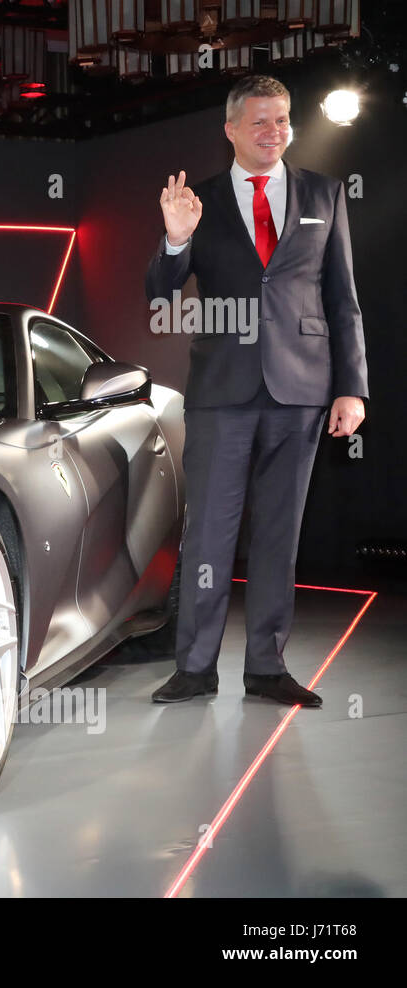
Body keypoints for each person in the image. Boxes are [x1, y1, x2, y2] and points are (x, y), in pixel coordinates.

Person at [145, 75, 368, 707]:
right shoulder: (200, 201)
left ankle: (267, 668)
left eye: (283, 121)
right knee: (208, 537)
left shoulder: (324, 193)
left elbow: (343, 300)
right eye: (260, 122)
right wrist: (176, 238)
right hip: (222, 393)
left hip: (301, 391)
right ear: (231, 130)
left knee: (279, 534)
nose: (274, 133)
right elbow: (160, 294)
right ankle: (194, 667)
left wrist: (352, 389)